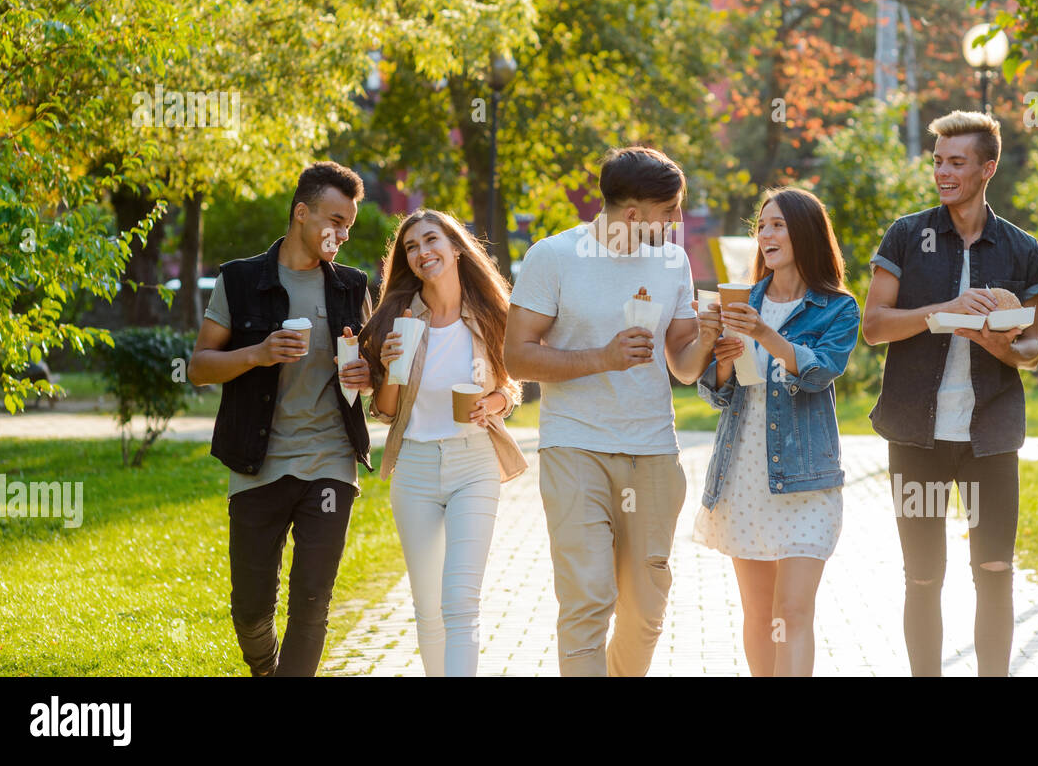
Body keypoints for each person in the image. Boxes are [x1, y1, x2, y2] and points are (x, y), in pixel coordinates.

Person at [503, 146, 720, 676]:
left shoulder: (673, 261)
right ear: (632, 214)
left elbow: (685, 365)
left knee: (646, 610)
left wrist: (713, 333)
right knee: (588, 599)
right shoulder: (553, 256)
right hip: (575, 446)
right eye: (669, 211)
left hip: (653, 450)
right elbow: (517, 356)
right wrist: (603, 357)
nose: (677, 221)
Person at [861, 110, 1038, 677]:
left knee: (993, 569)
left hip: (990, 437)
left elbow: (1034, 347)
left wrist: (995, 343)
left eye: (956, 162)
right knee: (922, 576)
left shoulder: (1020, 248)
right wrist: (942, 312)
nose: (943, 172)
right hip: (915, 435)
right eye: (938, 161)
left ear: (987, 168)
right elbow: (874, 326)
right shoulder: (906, 235)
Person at [190, 161, 374, 677]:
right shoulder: (240, 280)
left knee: (312, 602)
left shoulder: (352, 287)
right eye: (334, 221)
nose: (341, 234)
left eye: (349, 226)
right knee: (250, 608)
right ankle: (265, 668)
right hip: (257, 464)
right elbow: (200, 367)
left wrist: (366, 375)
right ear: (301, 213)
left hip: (331, 464)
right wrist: (259, 353)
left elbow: (371, 374)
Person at [693, 187, 860, 676]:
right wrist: (721, 365)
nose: (766, 234)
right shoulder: (740, 301)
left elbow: (820, 372)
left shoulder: (837, 309)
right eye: (762, 225)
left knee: (793, 611)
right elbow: (718, 395)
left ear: (805, 232)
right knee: (760, 615)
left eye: (778, 224)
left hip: (806, 479)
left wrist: (766, 335)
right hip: (744, 473)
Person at [358, 209, 525, 677]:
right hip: (413, 467)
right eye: (410, 247)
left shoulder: (492, 310)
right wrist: (391, 365)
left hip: (474, 465)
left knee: (460, 601)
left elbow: (509, 387)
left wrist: (490, 403)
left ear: (455, 247)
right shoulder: (399, 315)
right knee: (428, 605)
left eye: (431, 240)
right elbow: (387, 411)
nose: (421, 252)